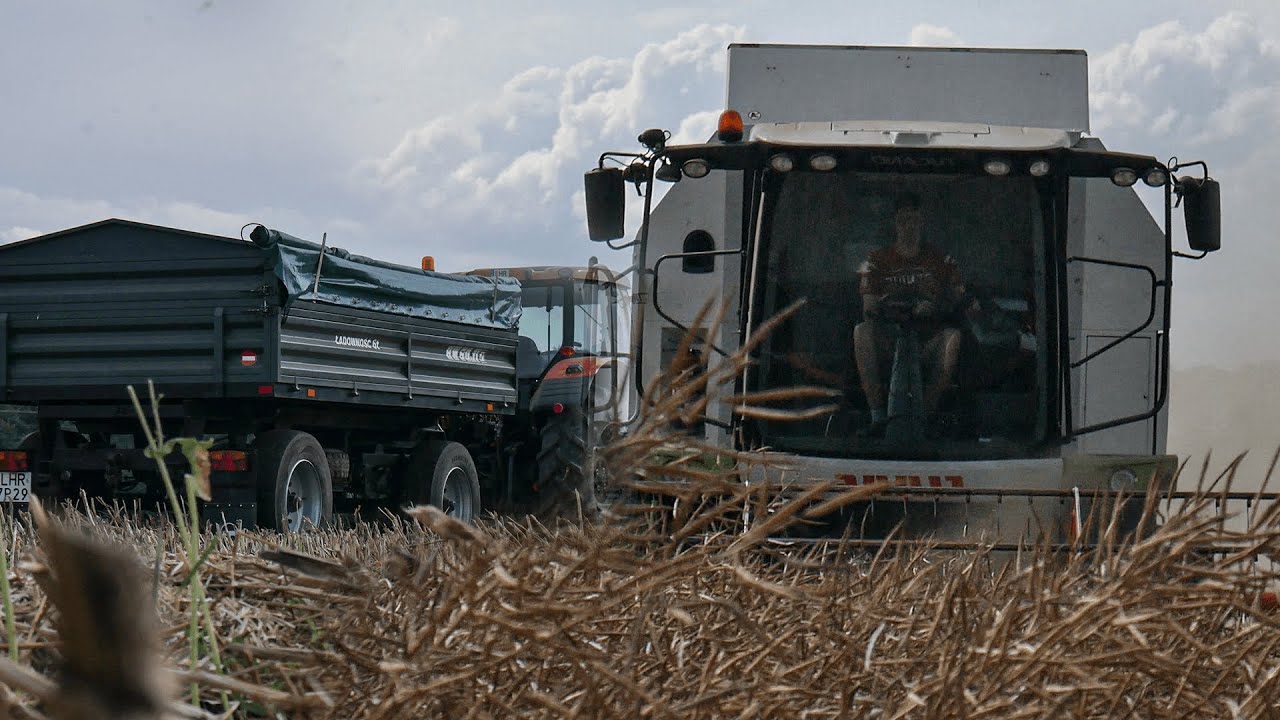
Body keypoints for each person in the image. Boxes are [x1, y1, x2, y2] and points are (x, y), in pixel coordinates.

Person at [854, 193, 976, 435]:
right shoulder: (875, 261)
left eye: (914, 219)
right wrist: (890, 307)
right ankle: (877, 416)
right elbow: (868, 306)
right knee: (862, 333)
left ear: (922, 222)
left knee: (953, 337)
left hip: (927, 339)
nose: (908, 225)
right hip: (889, 337)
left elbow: (959, 298)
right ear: (894, 223)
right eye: (903, 219)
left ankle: (924, 419)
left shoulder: (942, 260)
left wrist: (934, 306)